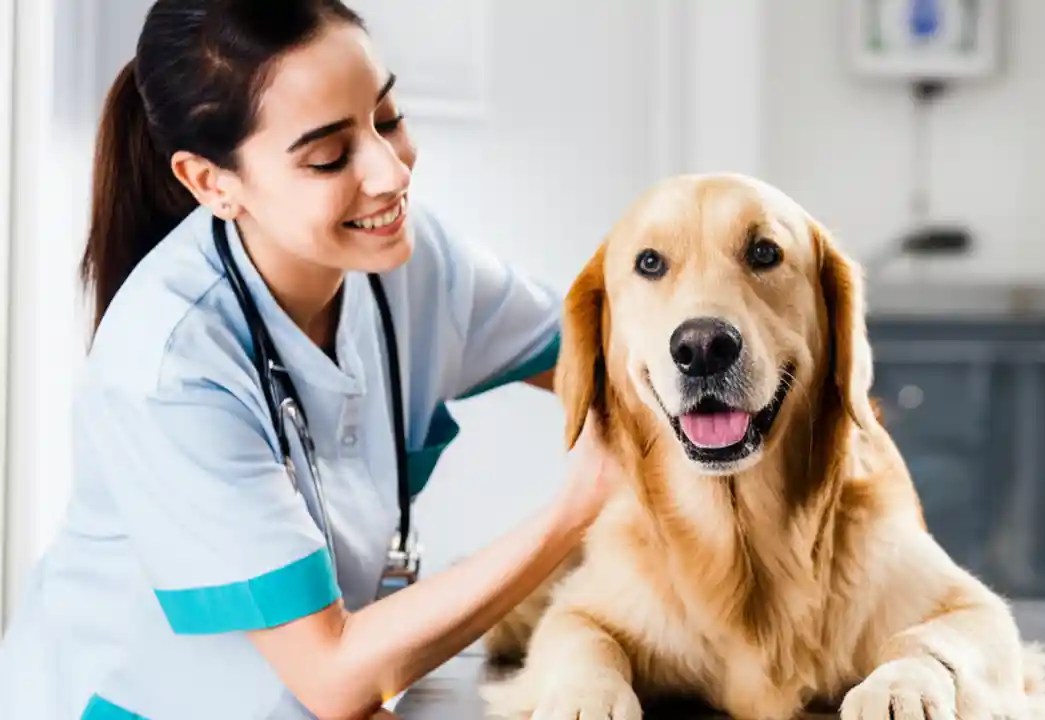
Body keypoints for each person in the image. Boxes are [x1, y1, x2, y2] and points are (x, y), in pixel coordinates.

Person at [0, 1, 620, 717]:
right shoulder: (171, 367)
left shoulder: (415, 268)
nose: (390, 175)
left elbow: (608, 360)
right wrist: (577, 508)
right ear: (211, 182)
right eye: (328, 156)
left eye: (387, 118)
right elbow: (331, 675)